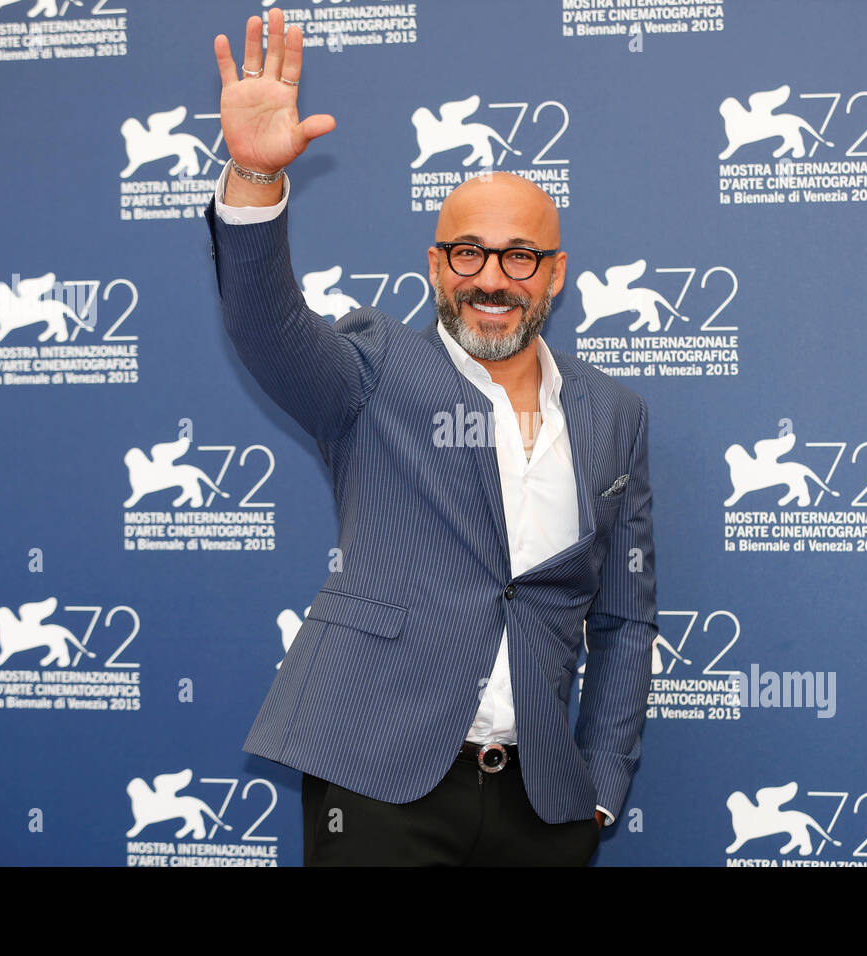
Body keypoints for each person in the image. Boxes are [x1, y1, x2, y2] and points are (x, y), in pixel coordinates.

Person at [207, 12, 657, 866]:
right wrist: (254, 180)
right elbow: (266, 330)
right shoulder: (374, 368)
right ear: (435, 265)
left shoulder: (614, 415)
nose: (492, 278)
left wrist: (597, 791)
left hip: (543, 804)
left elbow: (627, 622)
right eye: (468, 253)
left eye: (520, 257)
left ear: (556, 275)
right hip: (379, 786)